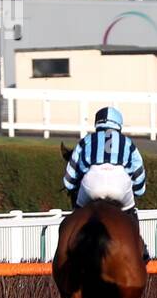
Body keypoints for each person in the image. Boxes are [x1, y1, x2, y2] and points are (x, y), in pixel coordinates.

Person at [62, 106, 150, 260]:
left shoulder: (86, 141)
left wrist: (74, 187)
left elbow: (69, 180)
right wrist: (137, 190)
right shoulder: (128, 143)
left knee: (77, 212)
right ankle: (141, 250)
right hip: (120, 184)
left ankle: (71, 248)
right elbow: (139, 179)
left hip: (92, 183)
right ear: (118, 125)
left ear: (97, 124)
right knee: (131, 212)